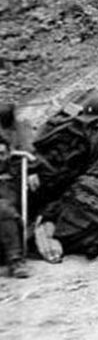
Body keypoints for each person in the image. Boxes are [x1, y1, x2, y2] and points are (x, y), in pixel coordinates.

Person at [0, 103, 34, 277]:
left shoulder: (14, 133)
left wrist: (30, 167)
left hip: (4, 185)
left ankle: (15, 260)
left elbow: (22, 152)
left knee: (3, 209)